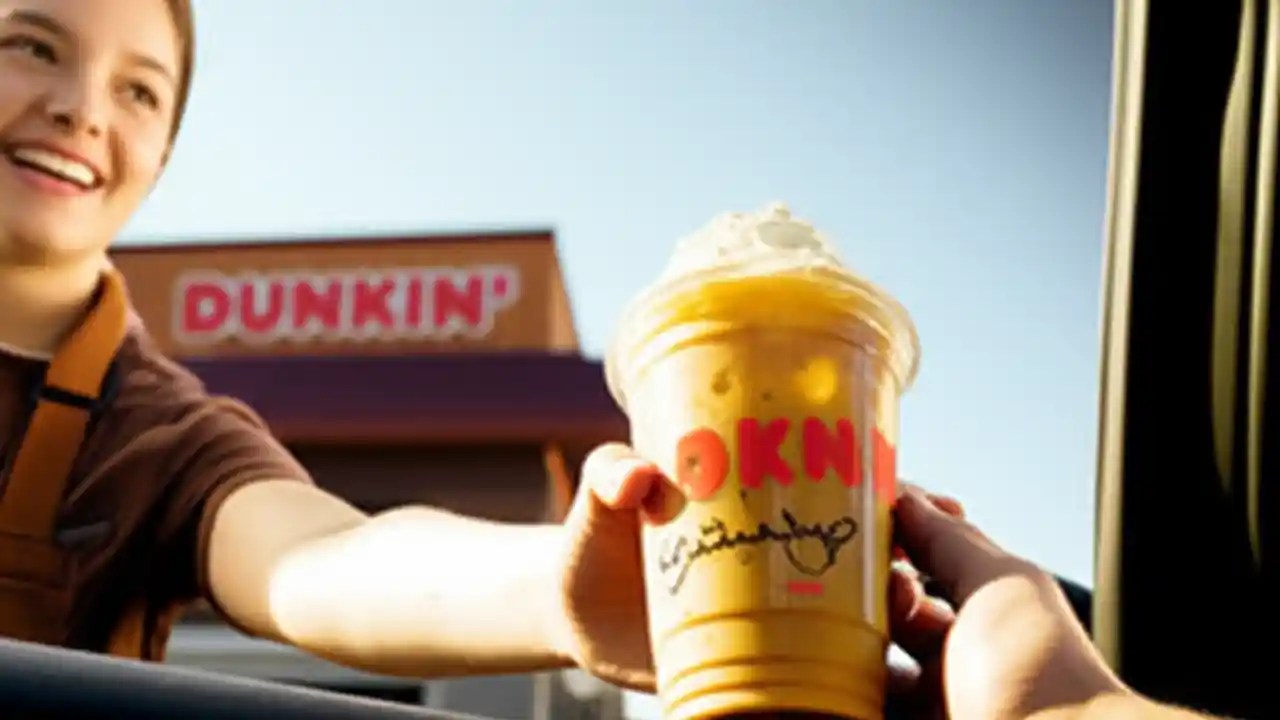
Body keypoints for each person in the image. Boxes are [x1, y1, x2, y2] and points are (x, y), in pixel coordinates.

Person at [0, 2, 1234, 719]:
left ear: (164, 155)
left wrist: (564, 589)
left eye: (142, 90)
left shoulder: (152, 433)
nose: (82, 108)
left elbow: (327, 559)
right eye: (33, 44)